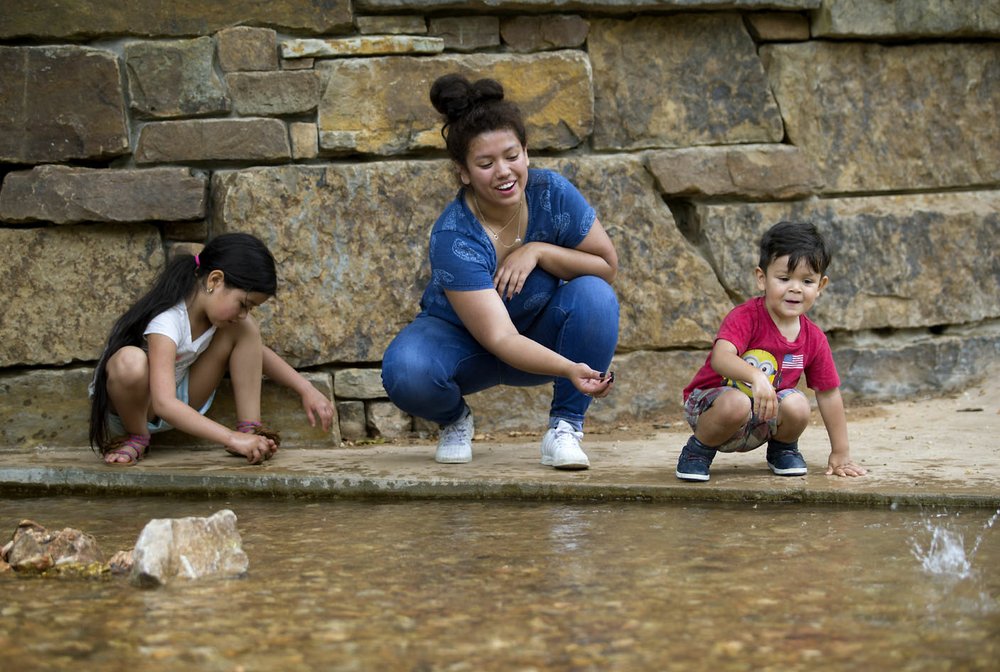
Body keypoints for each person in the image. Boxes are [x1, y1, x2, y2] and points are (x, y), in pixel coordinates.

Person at [381, 73, 619, 469]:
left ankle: (565, 429)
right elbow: (499, 336)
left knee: (595, 293)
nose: (504, 171)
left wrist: (539, 251)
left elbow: (606, 266)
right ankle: (454, 419)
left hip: (537, 332)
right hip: (464, 347)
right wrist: (568, 368)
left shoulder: (552, 193)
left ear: (526, 151)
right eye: (486, 163)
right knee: (406, 369)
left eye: (512, 156)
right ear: (463, 171)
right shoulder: (453, 235)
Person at [89, 232, 334, 465]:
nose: (243, 313)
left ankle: (250, 429)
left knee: (246, 328)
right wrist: (230, 438)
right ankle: (137, 437)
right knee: (129, 362)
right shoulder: (167, 321)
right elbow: (164, 403)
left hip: (181, 399)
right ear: (215, 280)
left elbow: (258, 352)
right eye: (243, 304)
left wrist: (305, 388)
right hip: (139, 409)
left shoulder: (218, 319)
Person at [675, 221, 866, 482]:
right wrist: (756, 377)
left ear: (820, 286)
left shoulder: (814, 338)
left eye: (807, 280)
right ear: (762, 278)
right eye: (784, 278)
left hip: (762, 417)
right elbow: (721, 358)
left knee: (798, 404)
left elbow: (829, 393)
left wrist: (841, 452)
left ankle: (783, 448)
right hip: (713, 410)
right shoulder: (746, 318)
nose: (796, 288)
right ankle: (698, 451)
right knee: (737, 402)